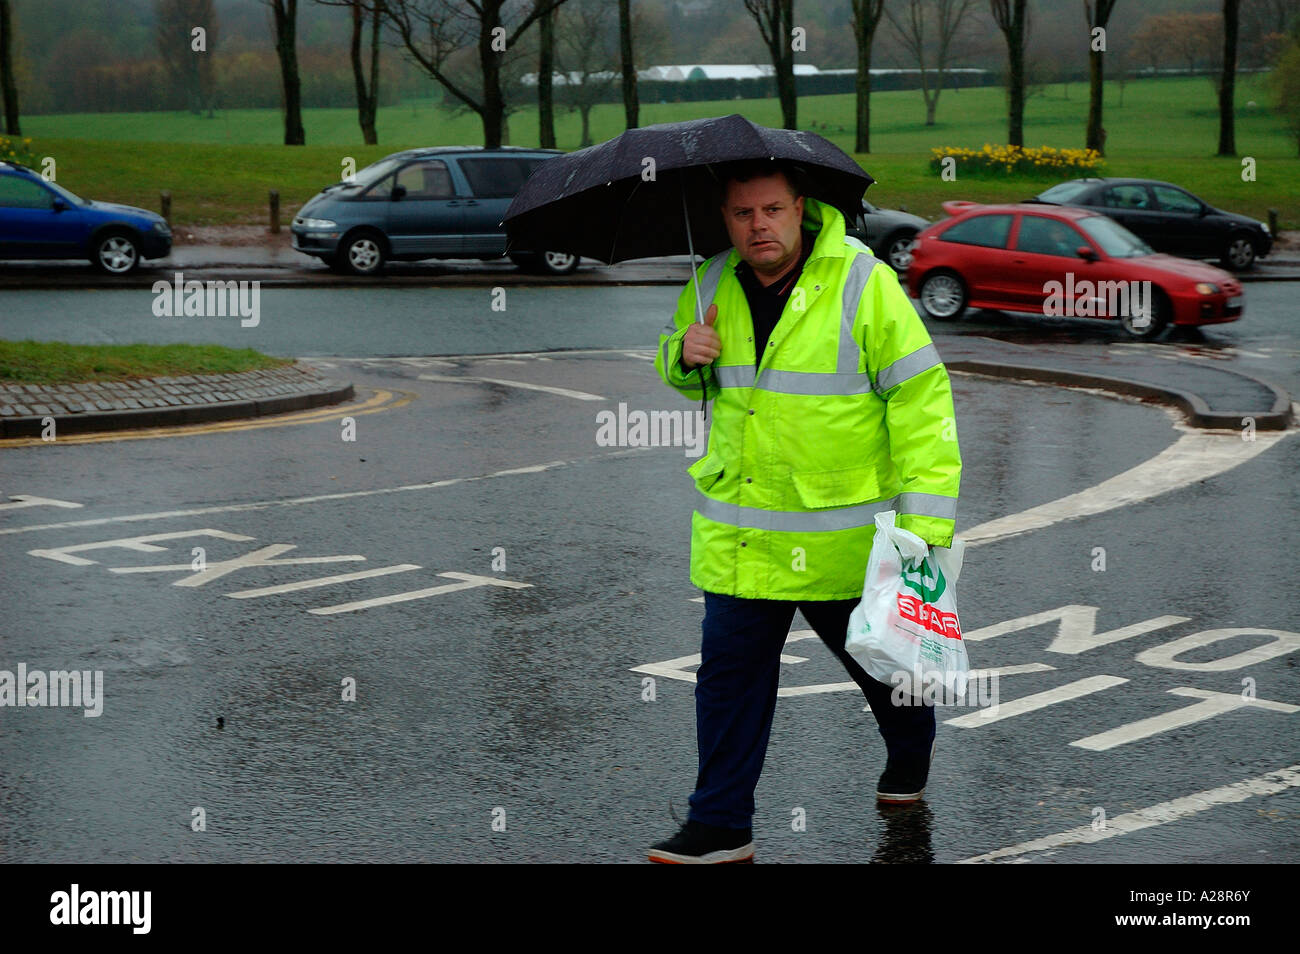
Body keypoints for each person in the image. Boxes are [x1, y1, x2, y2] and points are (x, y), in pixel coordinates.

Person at [648, 159, 962, 864]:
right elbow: (682, 366)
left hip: (840, 539)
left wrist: (925, 527)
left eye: (771, 210)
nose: (757, 226)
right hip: (741, 536)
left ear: (800, 208)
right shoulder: (709, 282)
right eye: (741, 215)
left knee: (884, 670)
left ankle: (912, 747)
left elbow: (921, 401)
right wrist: (682, 353)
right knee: (727, 680)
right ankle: (721, 825)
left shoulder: (862, 282)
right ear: (724, 219)